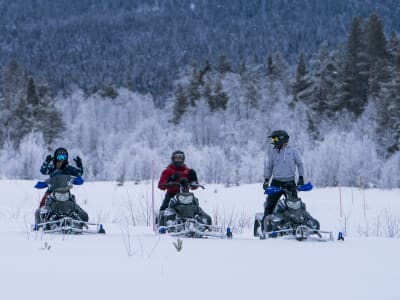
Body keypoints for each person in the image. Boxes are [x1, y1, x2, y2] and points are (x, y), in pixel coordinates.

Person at [34, 147, 88, 225]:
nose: (61, 159)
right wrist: (46, 162)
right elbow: (43, 171)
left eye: (64, 157)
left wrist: (80, 165)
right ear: (56, 157)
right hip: (51, 191)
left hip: (65, 192)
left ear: (66, 158)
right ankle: (39, 223)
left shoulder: (69, 168)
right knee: (43, 203)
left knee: (73, 202)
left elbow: (79, 173)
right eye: (59, 157)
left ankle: (79, 219)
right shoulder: (52, 168)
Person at [262, 130, 305, 223]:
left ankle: (296, 226)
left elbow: (300, 164)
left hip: (290, 183)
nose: (273, 141)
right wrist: (266, 180)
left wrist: (301, 178)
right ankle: (264, 227)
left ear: (281, 139)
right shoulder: (272, 153)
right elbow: (269, 167)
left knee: (295, 206)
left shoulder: (293, 151)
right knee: (270, 205)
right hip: (276, 183)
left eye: (275, 138)